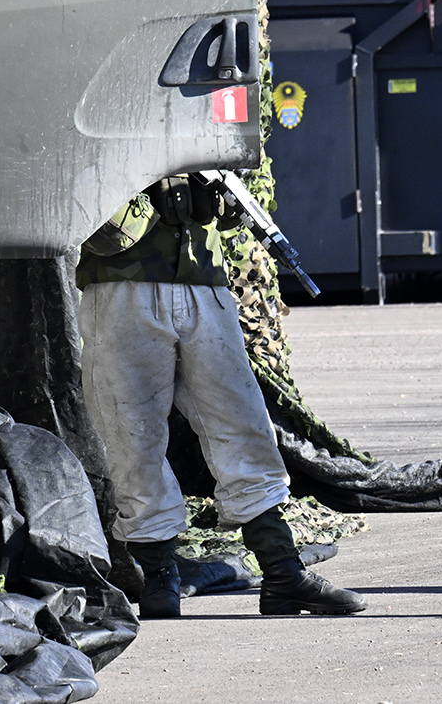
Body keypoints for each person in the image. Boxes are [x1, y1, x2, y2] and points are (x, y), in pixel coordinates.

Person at [77, 174, 367, 619]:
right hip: (120, 282)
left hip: (203, 280)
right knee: (131, 438)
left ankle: (282, 571)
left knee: (243, 427)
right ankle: (158, 577)